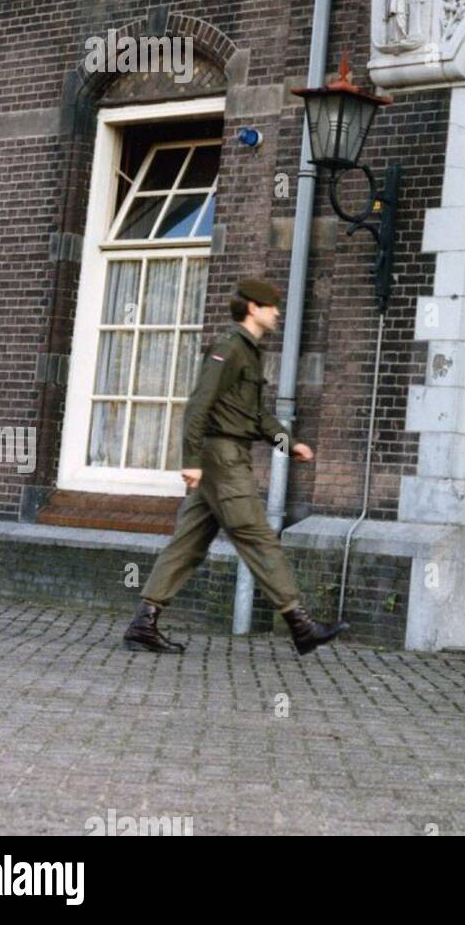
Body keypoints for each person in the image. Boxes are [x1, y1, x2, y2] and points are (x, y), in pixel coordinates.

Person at [122, 277, 348, 657]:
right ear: (253, 309)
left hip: (226, 456)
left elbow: (256, 417)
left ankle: (143, 624)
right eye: (271, 305)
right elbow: (198, 405)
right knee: (257, 536)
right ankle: (301, 625)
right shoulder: (229, 349)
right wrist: (191, 462)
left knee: (189, 543)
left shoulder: (250, 352)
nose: (278, 312)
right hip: (222, 460)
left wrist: (288, 445)